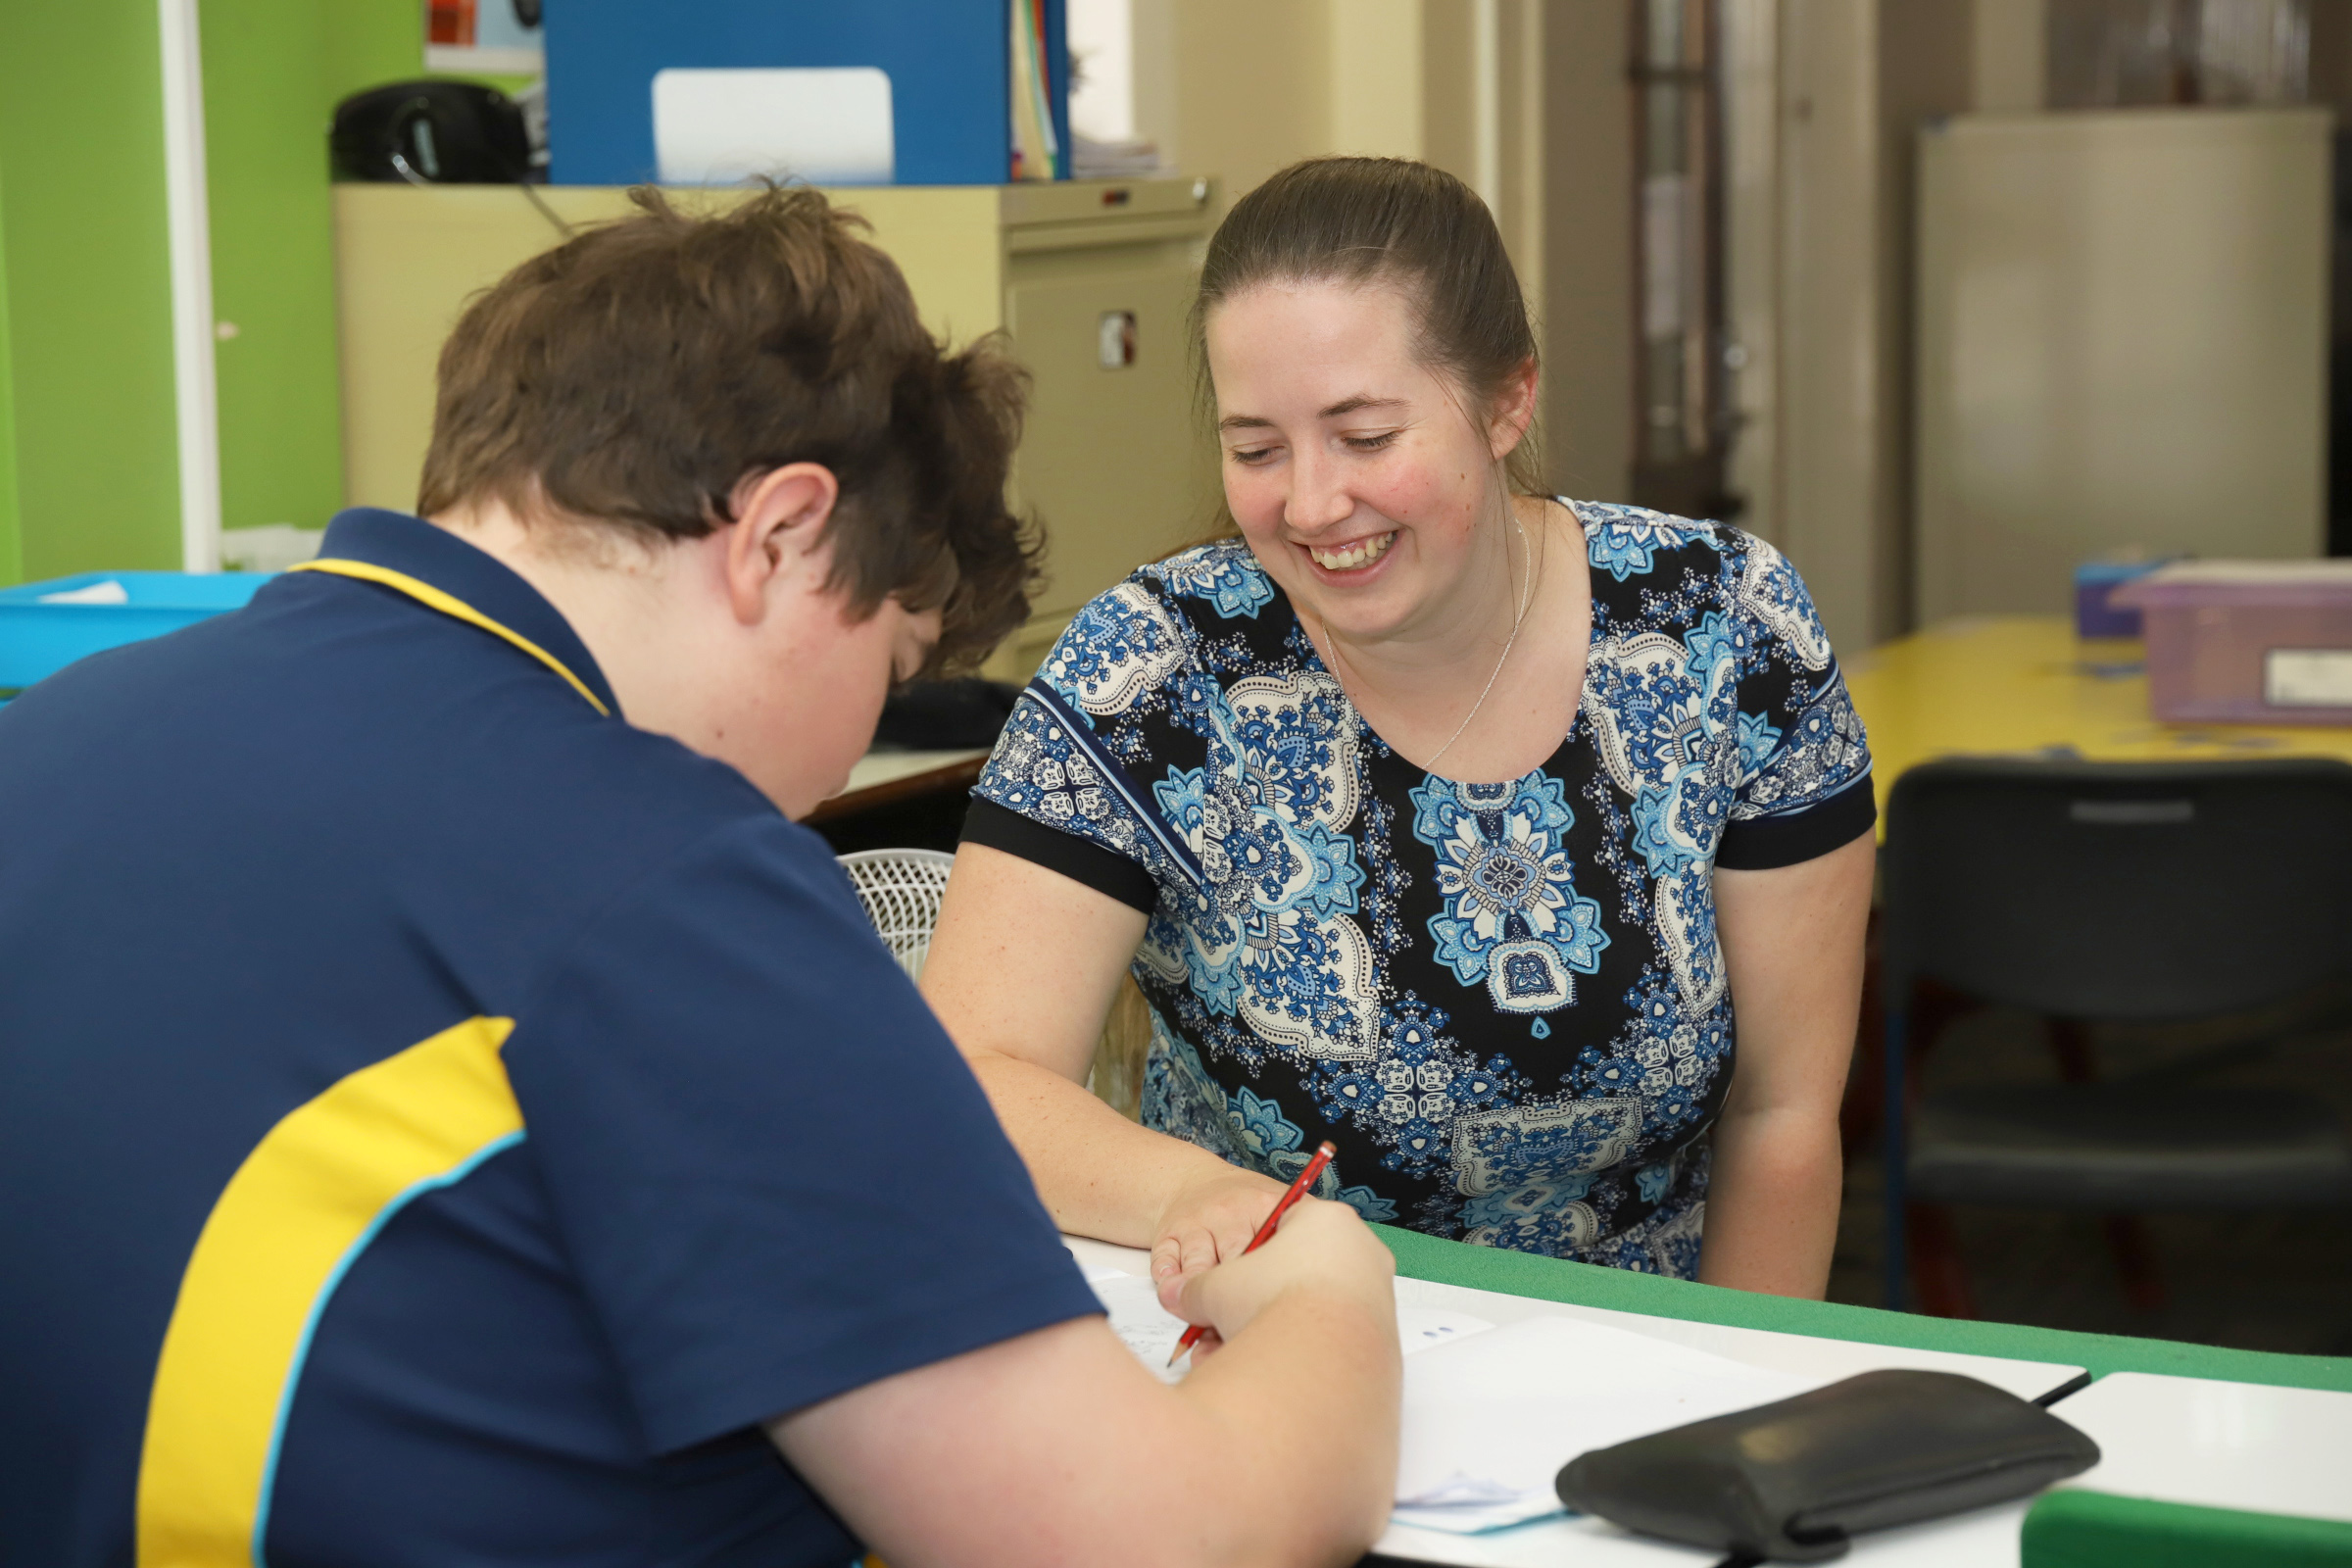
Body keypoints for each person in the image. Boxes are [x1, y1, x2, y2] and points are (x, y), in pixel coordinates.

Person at [0, 186, 1401, 1568]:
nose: (857, 737)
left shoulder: (54, 737)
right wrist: (1327, 1291)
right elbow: (1148, 1540)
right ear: (782, 535)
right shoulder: (662, 881)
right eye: (893, 668)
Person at [922, 157, 1876, 1307]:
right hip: (1289, 1344)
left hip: (1651, 1357)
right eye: (1258, 449)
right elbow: (972, 1078)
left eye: (1365, 436)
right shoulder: (1158, 670)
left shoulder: (1724, 626)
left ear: (1508, 400)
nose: (1313, 505)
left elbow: (1784, 1117)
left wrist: (1735, 1407)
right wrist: (1186, 1196)